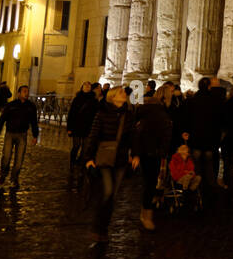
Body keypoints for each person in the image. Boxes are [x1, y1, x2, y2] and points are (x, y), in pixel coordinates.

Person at [85, 85, 137, 246]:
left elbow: (132, 136)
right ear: (113, 97)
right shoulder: (102, 114)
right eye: (121, 92)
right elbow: (93, 136)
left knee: (113, 196)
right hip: (105, 158)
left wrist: (135, 154)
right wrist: (88, 157)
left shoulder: (128, 115)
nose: (124, 94)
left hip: (121, 159)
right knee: (107, 192)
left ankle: (103, 229)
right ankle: (97, 227)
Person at [133, 87, 174, 231]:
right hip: (154, 152)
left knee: (148, 182)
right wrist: (162, 152)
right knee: (151, 183)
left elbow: (138, 132)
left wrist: (136, 153)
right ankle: (146, 214)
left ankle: (145, 211)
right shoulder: (161, 113)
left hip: (145, 151)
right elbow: (166, 135)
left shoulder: (144, 109)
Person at [0, 86, 40, 189]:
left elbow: (34, 122)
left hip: (22, 134)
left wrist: (35, 135)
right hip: (10, 133)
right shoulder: (11, 105)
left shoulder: (31, 106)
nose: (26, 94)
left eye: (27, 92)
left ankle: (14, 178)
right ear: (19, 93)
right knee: (6, 156)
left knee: (19, 160)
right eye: (24, 91)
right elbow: (2, 119)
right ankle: (3, 176)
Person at [184, 77, 222, 202]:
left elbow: (187, 120)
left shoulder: (192, 101)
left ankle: (196, 187)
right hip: (210, 140)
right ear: (210, 87)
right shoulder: (216, 102)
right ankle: (211, 189)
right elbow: (219, 122)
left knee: (195, 165)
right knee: (209, 165)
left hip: (195, 139)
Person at [66, 82, 98, 168]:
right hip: (77, 126)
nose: (87, 87)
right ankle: (72, 162)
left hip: (88, 127)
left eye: (89, 85)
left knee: (85, 147)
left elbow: (96, 114)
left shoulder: (94, 100)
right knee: (76, 146)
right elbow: (71, 114)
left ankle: (81, 163)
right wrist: (69, 128)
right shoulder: (77, 99)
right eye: (85, 85)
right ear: (82, 87)